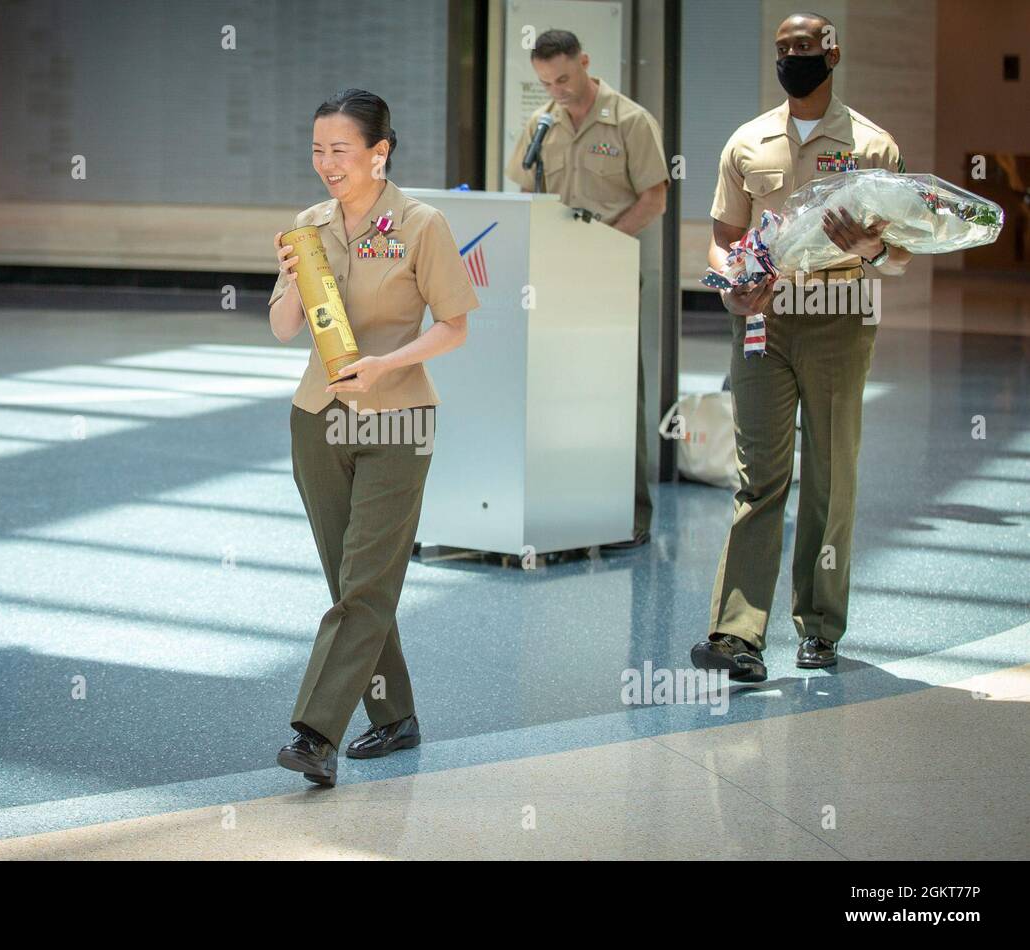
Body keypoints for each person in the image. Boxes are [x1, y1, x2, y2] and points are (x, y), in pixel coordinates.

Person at [267, 89, 480, 786]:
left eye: (341, 151)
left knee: (364, 583)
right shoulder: (308, 225)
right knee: (353, 580)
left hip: (399, 421)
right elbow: (282, 328)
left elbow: (454, 326)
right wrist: (296, 279)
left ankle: (314, 733)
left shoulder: (422, 225)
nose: (326, 164)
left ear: (379, 152)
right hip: (316, 419)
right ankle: (396, 716)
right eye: (317, 150)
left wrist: (385, 366)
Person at [690, 12, 911, 683]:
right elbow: (724, 236)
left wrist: (869, 246)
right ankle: (737, 633)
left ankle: (819, 627)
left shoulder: (872, 146)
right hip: (761, 323)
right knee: (759, 476)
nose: (793, 57)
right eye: (783, 49)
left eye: (805, 47)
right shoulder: (748, 142)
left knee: (829, 475)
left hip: (838, 317)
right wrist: (732, 280)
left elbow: (900, 250)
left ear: (832, 53)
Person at [505, 28, 669, 549]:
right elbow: (522, 184)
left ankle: (629, 518)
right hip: (553, 275)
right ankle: (565, 510)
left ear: (585, 63)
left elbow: (655, 197)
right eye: (546, 82)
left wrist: (603, 245)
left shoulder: (630, 121)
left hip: (610, 273)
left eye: (565, 78)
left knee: (618, 390)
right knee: (557, 387)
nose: (557, 89)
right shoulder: (542, 122)